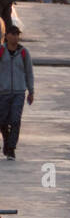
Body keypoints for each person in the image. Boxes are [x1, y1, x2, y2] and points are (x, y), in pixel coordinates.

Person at [0, 26, 34, 160]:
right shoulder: (1, 51)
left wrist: (31, 91)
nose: (15, 37)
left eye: (17, 34)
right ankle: (7, 143)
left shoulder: (24, 52)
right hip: (2, 92)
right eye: (12, 34)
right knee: (2, 121)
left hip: (19, 92)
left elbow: (29, 73)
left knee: (15, 120)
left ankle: (11, 148)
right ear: (6, 35)